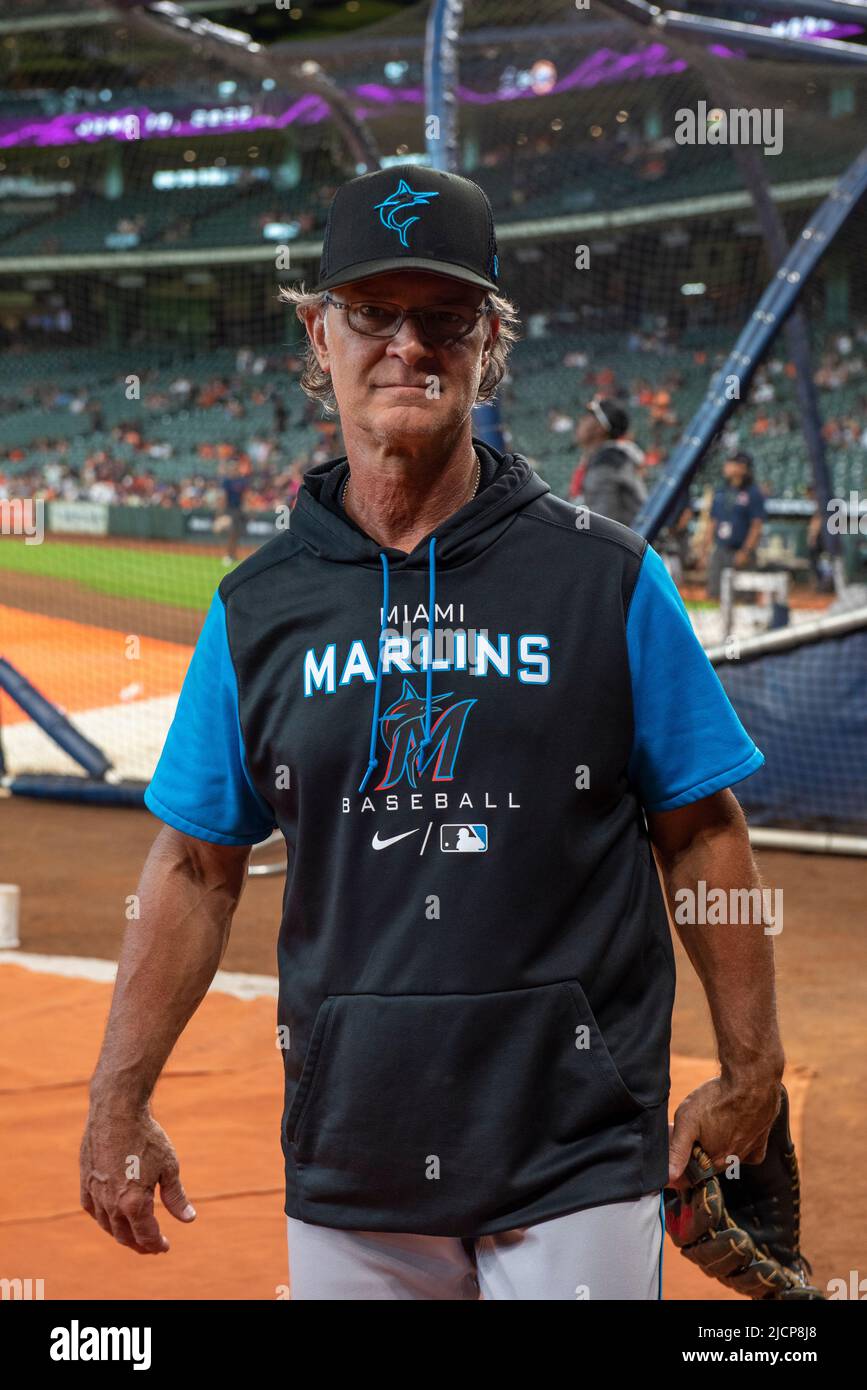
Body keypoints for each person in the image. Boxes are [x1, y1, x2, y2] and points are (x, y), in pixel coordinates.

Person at [80, 165, 783, 1301]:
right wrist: (118, 1097)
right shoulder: (256, 609)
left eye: (445, 316)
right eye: (372, 312)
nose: (409, 345)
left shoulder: (606, 578)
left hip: (577, 1148)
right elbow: (196, 864)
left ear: (488, 341)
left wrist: (755, 1067)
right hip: (355, 1152)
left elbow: (704, 828)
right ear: (319, 332)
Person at [575, 397, 648, 528]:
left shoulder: (607, 464)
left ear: (600, 428)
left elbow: (600, 525)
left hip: (625, 543)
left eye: (588, 417)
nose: (581, 420)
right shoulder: (606, 459)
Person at [704, 450, 766, 600]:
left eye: (731, 464)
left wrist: (746, 551)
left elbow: (756, 525)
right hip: (720, 550)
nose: (726, 467)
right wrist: (706, 548)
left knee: (743, 597)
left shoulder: (753, 493)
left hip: (741, 551)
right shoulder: (720, 491)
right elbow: (713, 521)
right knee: (715, 595)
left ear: (742, 467)